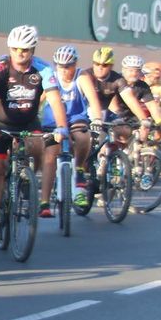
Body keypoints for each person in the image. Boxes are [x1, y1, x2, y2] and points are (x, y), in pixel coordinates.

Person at [0, 25, 67, 239]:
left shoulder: (43, 69)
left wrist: (62, 127)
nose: (20, 54)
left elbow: (54, 99)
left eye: (25, 50)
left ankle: (26, 177)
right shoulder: (0, 67)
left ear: (33, 50)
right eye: (15, 49)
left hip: (28, 122)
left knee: (39, 145)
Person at [39, 45, 98, 211]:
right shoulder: (51, 77)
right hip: (53, 122)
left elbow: (93, 100)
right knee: (50, 157)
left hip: (75, 118)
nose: (64, 70)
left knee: (83, 136)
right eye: (60, 66)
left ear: (75, 64)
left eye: (68, 66)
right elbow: (40, 99)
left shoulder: (82, 76)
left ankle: (79, 170)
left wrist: (98, 118)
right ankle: (44, 202)